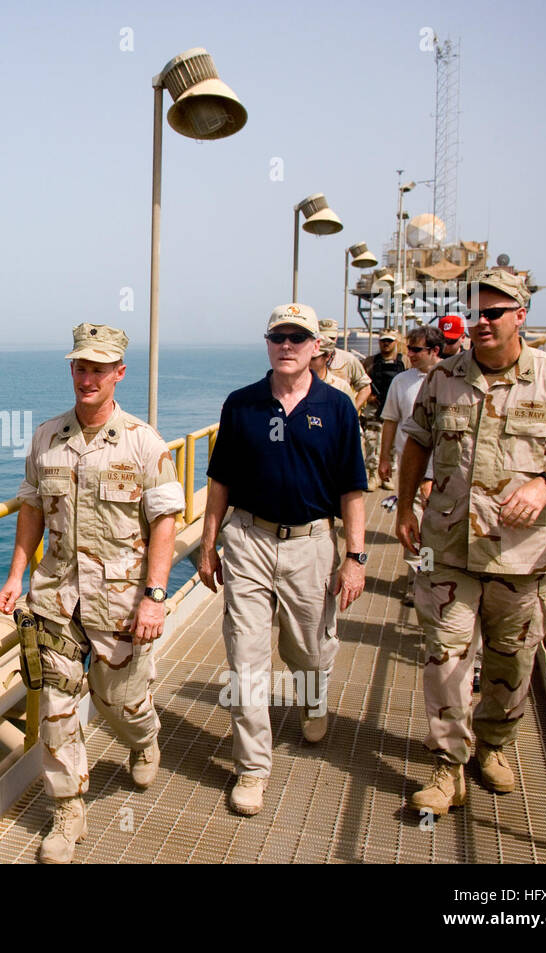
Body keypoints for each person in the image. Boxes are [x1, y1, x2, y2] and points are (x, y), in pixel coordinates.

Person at [397, 269, 546, 814]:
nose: (481, 322)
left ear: (521, 316)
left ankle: (492, 745)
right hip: (448, 548)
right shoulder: (444, 376)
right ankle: (449, 769)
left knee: (512, 664)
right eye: (474, 312)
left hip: (522, 554)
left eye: (493, 313)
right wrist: (404, 506)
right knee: (445, 658)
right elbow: (417, 443)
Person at [0, 323, 183, 862]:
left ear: (119, 374)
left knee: (120, 702)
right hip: (56, 594)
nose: (88, 378)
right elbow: (32, 508)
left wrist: (154, 595)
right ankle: (68, 810)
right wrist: (15, 575)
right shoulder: (46, 438)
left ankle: (145, 738)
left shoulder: (144, 442)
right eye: (80, 367)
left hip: (121, 601)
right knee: (55, 703)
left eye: (99, 369)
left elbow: (165, 523)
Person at [198, 303, 368, 817]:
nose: (288, 345)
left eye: (299, 337)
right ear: (268, 343)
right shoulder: (242, 404)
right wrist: (209, 544)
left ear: (317, 346)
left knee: (310, 650)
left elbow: (353, 490)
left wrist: (355, 557)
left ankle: (313, 699)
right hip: (248, 540)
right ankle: (252, 769)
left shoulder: (338, 408)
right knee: (245, 660)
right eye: (279, 336)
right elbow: (220, 479)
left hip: (312, 545)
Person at [377, 324, 443, 605]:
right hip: (411, 470)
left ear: (435, 350)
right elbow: (390, 421)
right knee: (416, 530)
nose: (410, 355)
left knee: (436, 531)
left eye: (416, 349)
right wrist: (384, 458)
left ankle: (433, 579)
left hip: (445, 473)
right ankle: (418, 583)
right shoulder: (401, 382)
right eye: (409, 349)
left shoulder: (450, 379)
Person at [364, 330, 407, 488]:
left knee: (393, 442)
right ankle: (373, 474)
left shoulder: (404, 362)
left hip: (396, 407)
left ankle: (389, 475)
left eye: (389, 340)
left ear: (395, 342)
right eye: (383, 341)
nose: (386, 344)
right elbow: (362, 383)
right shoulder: (370, 362)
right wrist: (369, 397)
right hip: (374, 408)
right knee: (372, 441)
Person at [318, 318, 372, 410]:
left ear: (336, 338)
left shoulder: (348, 359)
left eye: (331, 338)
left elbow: (365, 388)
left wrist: (352, 410)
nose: (328, 342)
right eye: (324, 338)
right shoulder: (307, 359)